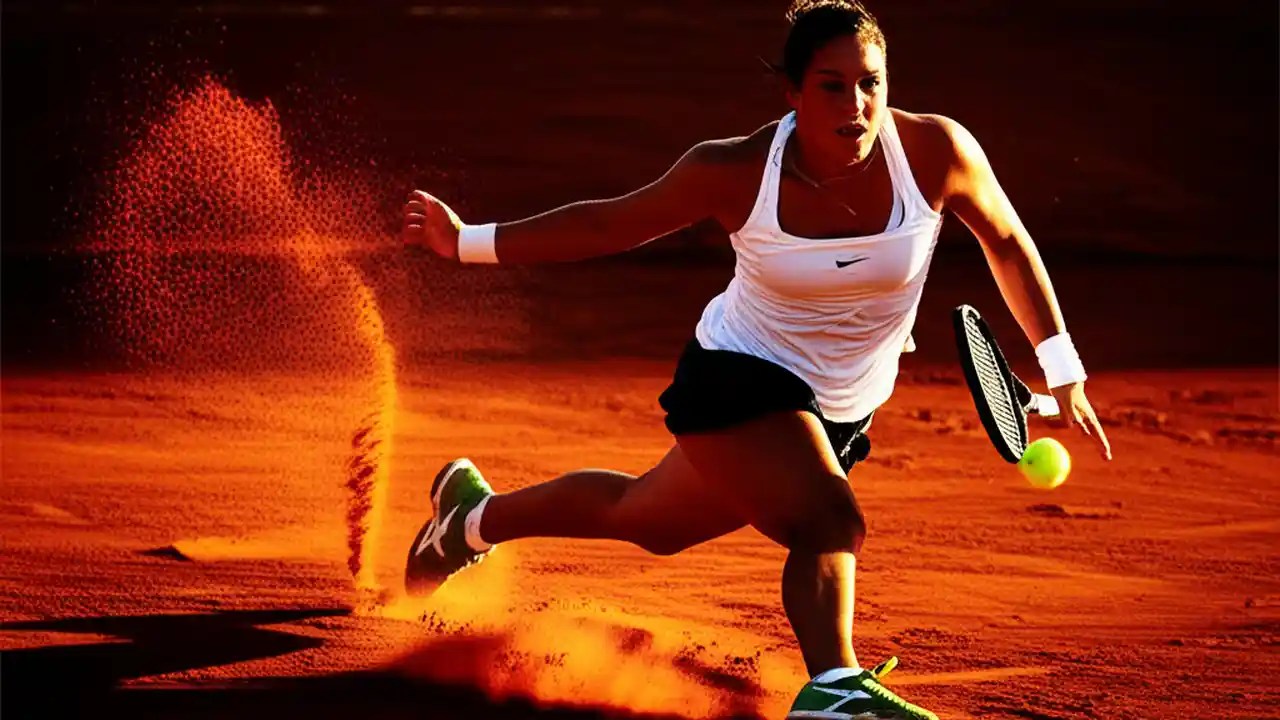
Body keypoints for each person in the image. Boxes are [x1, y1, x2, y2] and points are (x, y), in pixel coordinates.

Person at [399, 1, 1112, 717]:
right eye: (832, 85)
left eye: (871, 83)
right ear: (792, 93)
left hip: (838, 408)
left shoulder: (936, 153)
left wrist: (1062, 363)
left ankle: (465, 520)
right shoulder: (734, 170)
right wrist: (466, 240)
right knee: (831, 522)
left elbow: (1008, 241)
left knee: (647, 518)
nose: (857, 105)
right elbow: (609, 222)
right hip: (737, 376)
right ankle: (834, 692)